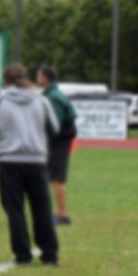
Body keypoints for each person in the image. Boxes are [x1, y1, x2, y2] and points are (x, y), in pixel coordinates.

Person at [0, 63, 60, 266]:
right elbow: (53, 128)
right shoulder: (41, 101)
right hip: (37, 161)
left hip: (9, 162)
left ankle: (22, 254)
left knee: (15, 210)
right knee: (42, 208)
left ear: (6, 81)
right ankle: (49, 254)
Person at [37, 65, 78, 225]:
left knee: (56, 178)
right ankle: (56, 213)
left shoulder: (53, 97)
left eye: (39, 76)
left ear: (46, 78)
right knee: (52, 177)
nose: (37, 79)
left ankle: (62, 215)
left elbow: (55, 124)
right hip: (59, 140)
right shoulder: (52, 94)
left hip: (59, 141)